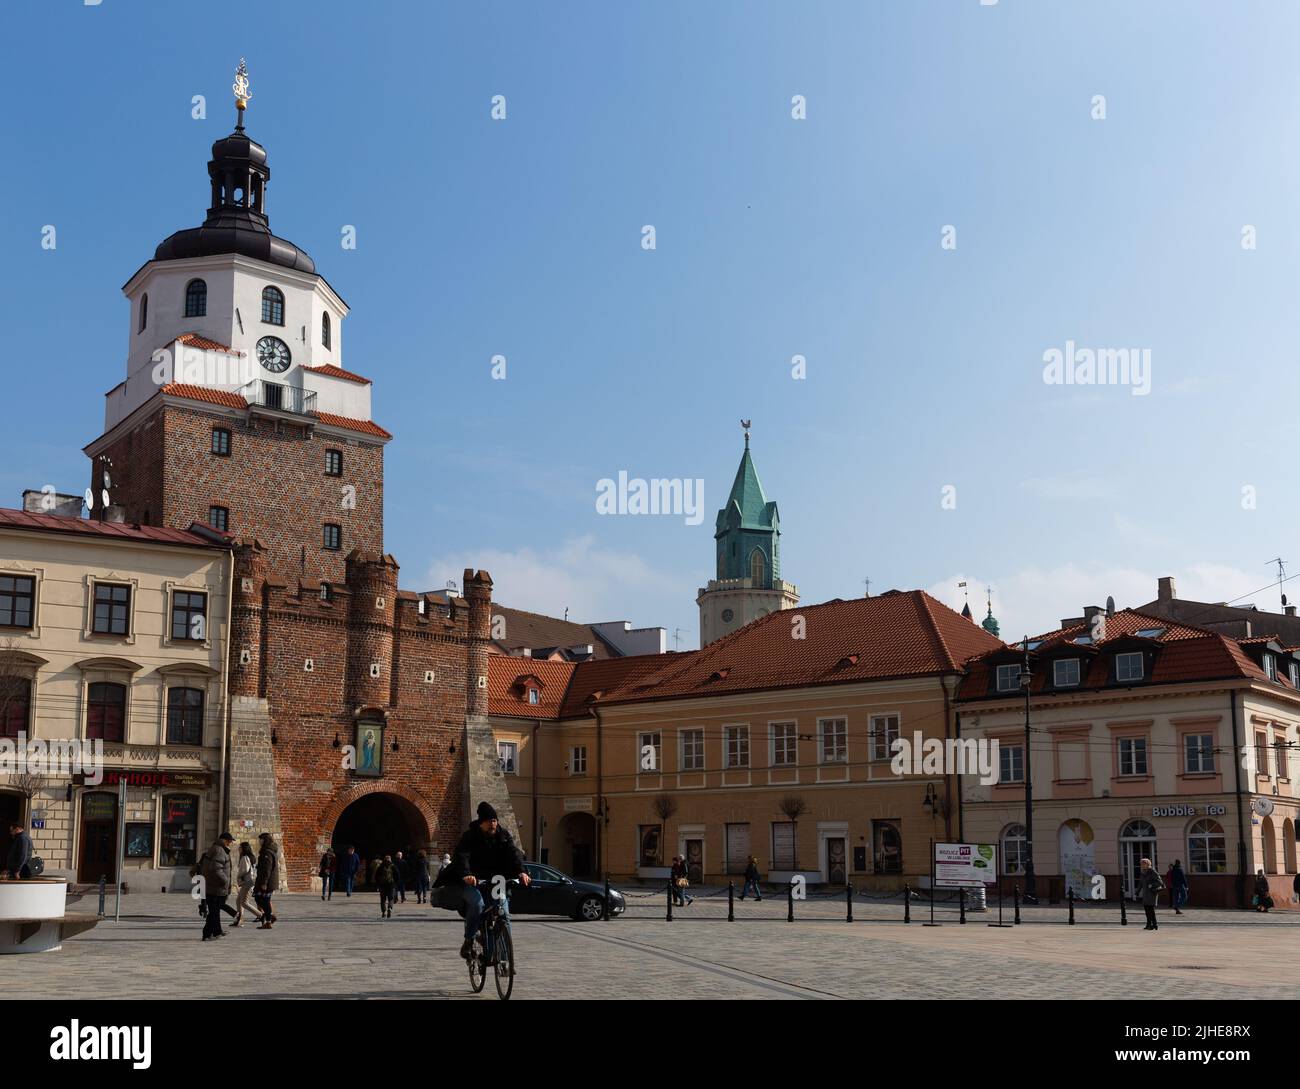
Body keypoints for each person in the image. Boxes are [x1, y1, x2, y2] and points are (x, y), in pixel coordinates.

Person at [433, 802, 531, 961]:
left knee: (503, 913)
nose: (492, 824)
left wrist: (521, 872)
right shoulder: (470, 836)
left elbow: (514, 854)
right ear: (481, 822)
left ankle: (505, 960)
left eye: (494, 821)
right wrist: (466, 874)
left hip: (496, 881)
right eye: (488, 821)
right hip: (473, 880)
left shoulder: (503, 835)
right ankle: (469, 938)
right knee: (477, 904)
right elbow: (462, 856)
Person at [198, 832, 234, 941]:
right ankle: (207, 934)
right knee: (214, 912)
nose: (230, 843)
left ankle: (216, 931)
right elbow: (216, 868)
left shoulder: (217, 848)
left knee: (215, 911)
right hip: (216, 887)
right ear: (223, 840)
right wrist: (225, 881)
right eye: (229, 840)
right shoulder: (219, 850)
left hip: (213, 886)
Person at [255, 832, 280, 929]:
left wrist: (264, 882)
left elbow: (267, 868)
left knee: (262, 899)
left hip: (267, 881)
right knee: (263, 899)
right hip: (267, 880)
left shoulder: (267, 852)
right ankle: (270, 917)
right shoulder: (269, 851)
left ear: (264, 840)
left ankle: (269, 920)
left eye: (260, 840)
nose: (259, 842)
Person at [234, 841, 261, 926]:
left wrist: (239, 876)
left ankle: (261, 915)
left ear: (243, 849)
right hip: (249, 881)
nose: (238, 849)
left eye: (240, 847)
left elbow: (244, 870)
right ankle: (240, 920)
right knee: (239, 900)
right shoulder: (250, 857)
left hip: (247, 882)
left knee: (244, 903)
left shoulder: (245, 857)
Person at [1137, 857, 1163, 930]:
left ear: (1147, 864)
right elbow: (1140, 883)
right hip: (1145, 894)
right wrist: (1137, 892)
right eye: (1141, 864)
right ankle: (1150, 924)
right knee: (1147, 910)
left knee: (1151, 910)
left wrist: (1152, 885)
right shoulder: (1143, 872)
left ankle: (1154, 924)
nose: (1141, 865)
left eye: (1143, 864)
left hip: (1152, 893)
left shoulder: (1152, 871)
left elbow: (1160, 882)